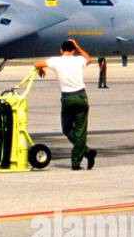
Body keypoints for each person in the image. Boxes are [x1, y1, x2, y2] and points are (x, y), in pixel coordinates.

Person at [34, 39, 97, 170]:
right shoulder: (78, 60)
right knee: (80, 131)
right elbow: (89, 59)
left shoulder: (56, 61)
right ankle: (81, 156)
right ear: (73, 50)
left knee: (66, 129)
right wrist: (77, 45)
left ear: (61, 50)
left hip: (67, 98)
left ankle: (83, 155)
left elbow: (36, 63)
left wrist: (40, 69)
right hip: (81, 96)